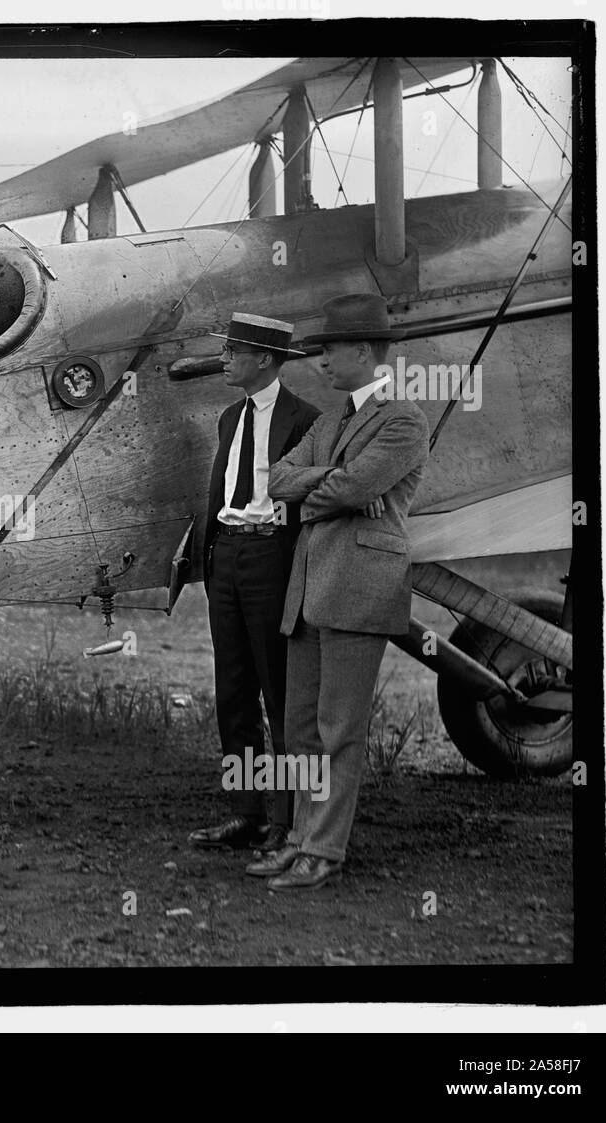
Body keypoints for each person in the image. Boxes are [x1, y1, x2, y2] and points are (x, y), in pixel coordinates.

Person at [250, 293, 429, 890]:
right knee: (300, 727)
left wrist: (325, 490)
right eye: (320, 351)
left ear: (365, 351)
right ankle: (300, 838)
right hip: (309, 591)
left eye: (330, 350)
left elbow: (354, 490)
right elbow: (276, 481)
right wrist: (331, 486)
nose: (322, 361)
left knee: (338, 728)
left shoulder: (403, 420)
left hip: (359, 589)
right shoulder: (329, 422)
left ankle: (323, 852)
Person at [187, 313, 320, 858]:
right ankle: (246, 814)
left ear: (264, 358)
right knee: (233, 691)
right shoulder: (227, 418)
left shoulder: (305, 419)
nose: (223, 358)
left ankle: (289, 825)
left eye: (233, 350)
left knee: (280, 692)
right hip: (229, 558)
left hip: (272, 557)